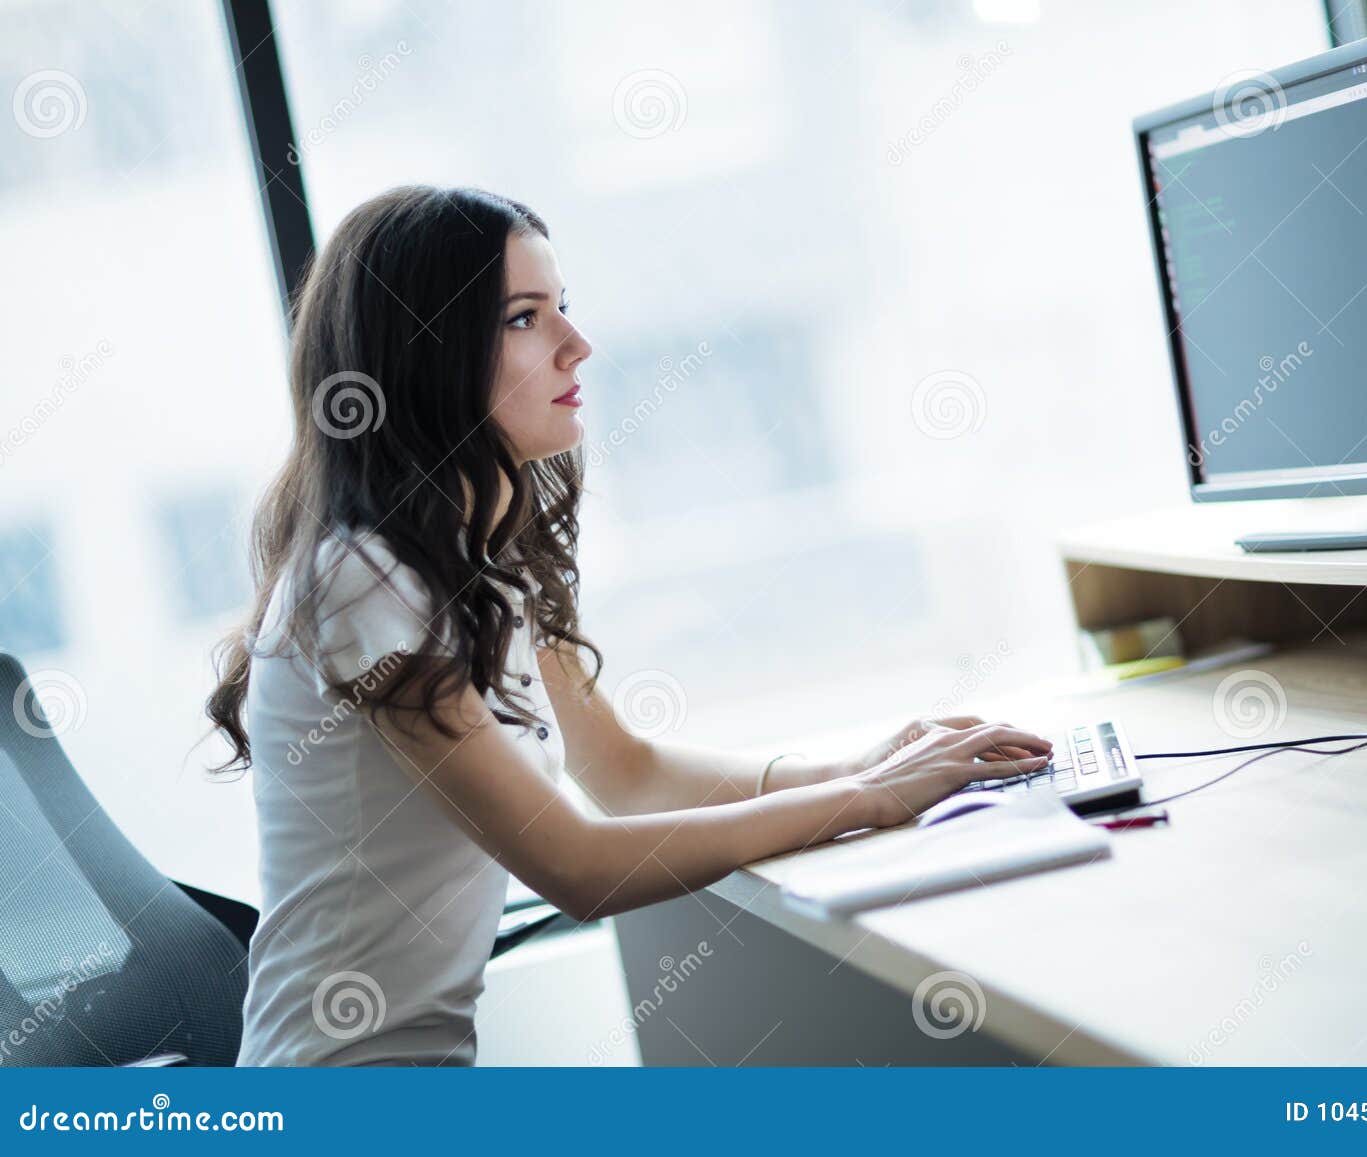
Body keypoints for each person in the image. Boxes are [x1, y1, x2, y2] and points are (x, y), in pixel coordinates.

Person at [206, 185, 1054, 1066]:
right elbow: (577, 865)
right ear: (427, 355)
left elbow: (624, 770)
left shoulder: (471, 560)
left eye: (561, 307)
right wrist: (864, 801)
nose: (579, 344)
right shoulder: (360, 582)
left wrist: (861, 764)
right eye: (527, 319)